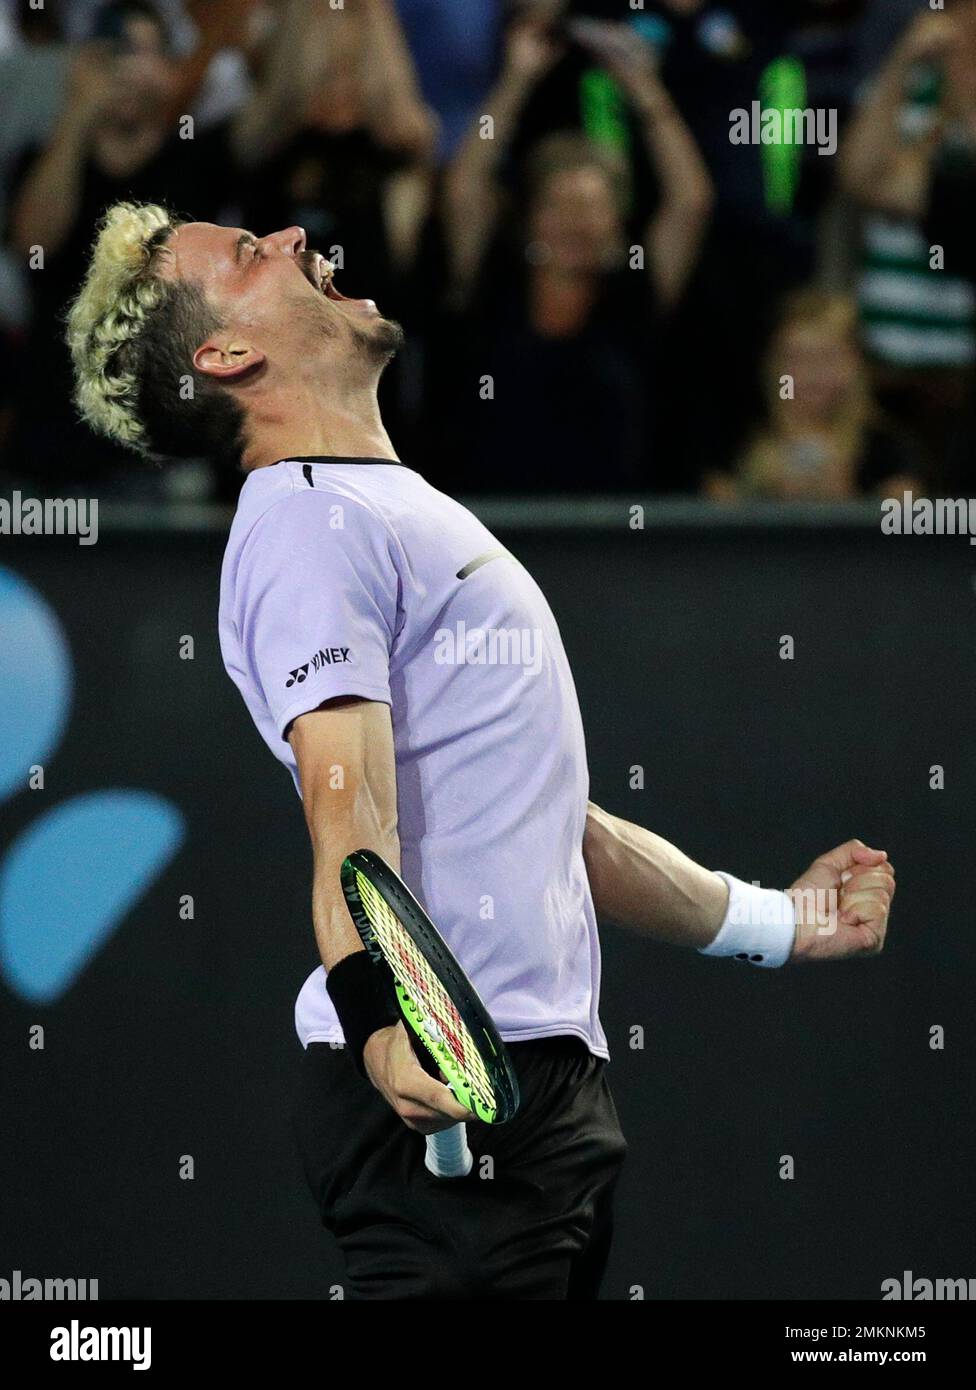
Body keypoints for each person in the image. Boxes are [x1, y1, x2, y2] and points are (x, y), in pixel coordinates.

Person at [65, 200, 896, 1300]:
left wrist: (776, 924)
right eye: (252, 254)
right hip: (443, 1097)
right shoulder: (310, 525)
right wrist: (385, 1037)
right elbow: (348, 826)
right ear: (226, 355)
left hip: (538, 1092)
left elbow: (546, 818)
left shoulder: (377, 508)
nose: (297, 240)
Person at [433, 13, 713, 491]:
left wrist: (643, 87)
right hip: (494, 515)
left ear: (617, 225)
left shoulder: (635, 291)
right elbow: (464, 189)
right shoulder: (495, 278)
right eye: (559, 206)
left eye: (591, 209)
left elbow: (691, 201)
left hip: (614, 520)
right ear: (531, 219)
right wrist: (517, 80)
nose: (575, 223)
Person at [708, 289, 925, 502]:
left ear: (854, 366)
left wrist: (844, 497)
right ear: (775, 367)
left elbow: (904, 516)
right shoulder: (737, 441)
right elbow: (713, 510)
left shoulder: (888, 450)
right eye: (797, 358)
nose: (811, 373)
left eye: (827, 357)